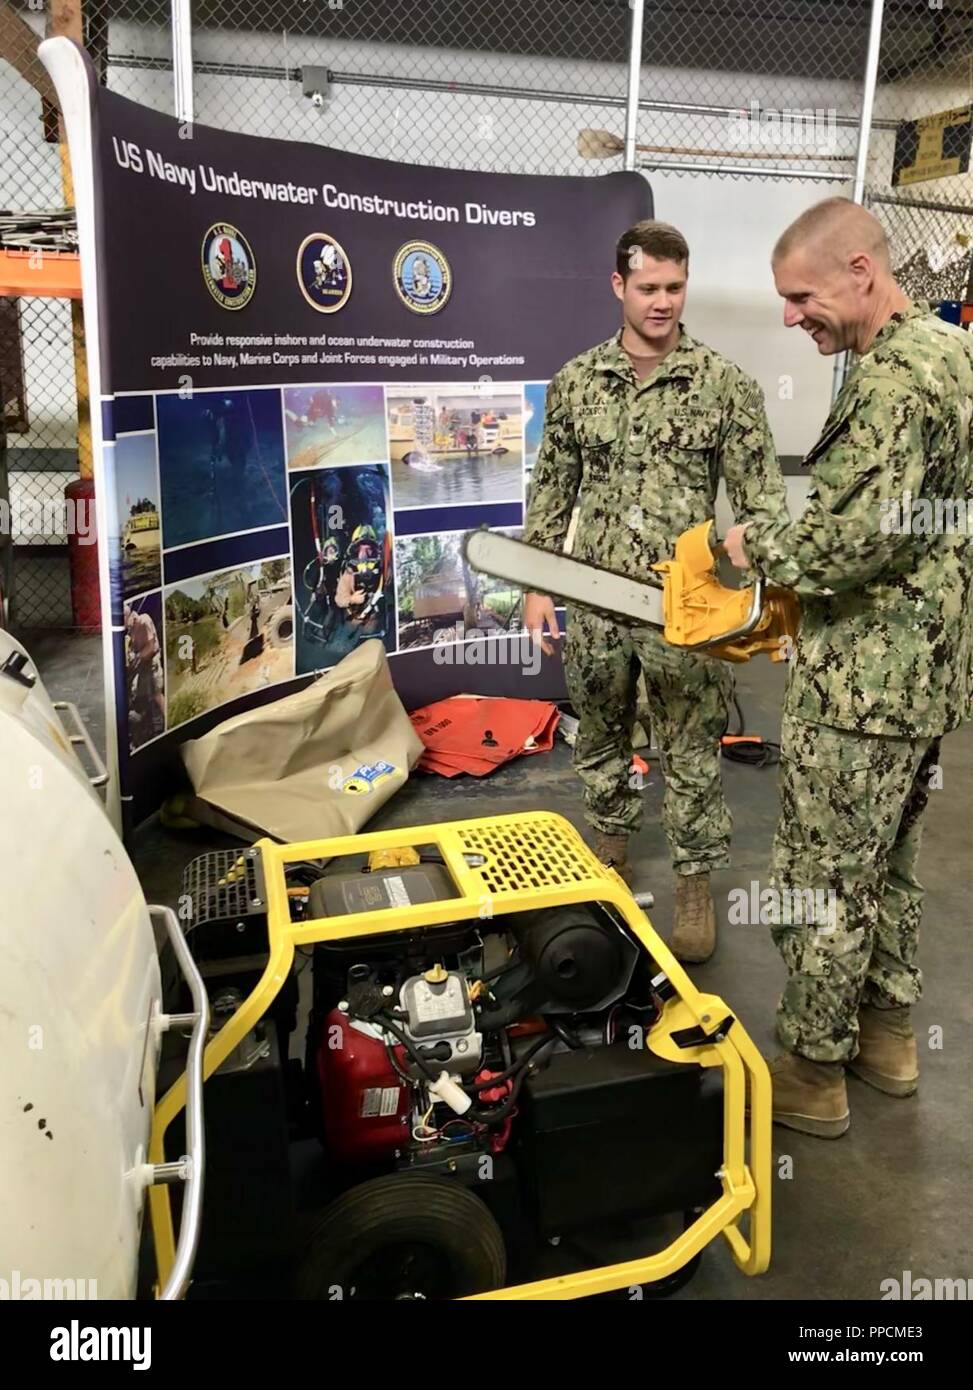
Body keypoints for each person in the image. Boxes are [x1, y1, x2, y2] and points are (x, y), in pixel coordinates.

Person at [724, 196, 973, 1137]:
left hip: (864, 683)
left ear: (860, 271)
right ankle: (888, 1040)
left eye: (801, 296)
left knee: (822, 877)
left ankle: (812, 1070)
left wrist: (756, 547)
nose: (791, 317)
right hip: (927, 675)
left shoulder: (888, 382)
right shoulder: (952, 354)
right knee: (889, 865)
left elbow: (851, 543)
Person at [523, 219, 788, 962]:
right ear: (619, 286)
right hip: (598, 600)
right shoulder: (576, 382)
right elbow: (553, 489)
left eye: (674, 287)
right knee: (601, 737)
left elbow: (763, 502)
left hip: (686, 609)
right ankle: (608, 852)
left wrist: (761, 595)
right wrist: (539, 586)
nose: (662, 302)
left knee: (691, 752)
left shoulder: (724, 386)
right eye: (648, 288)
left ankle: (695, 885)